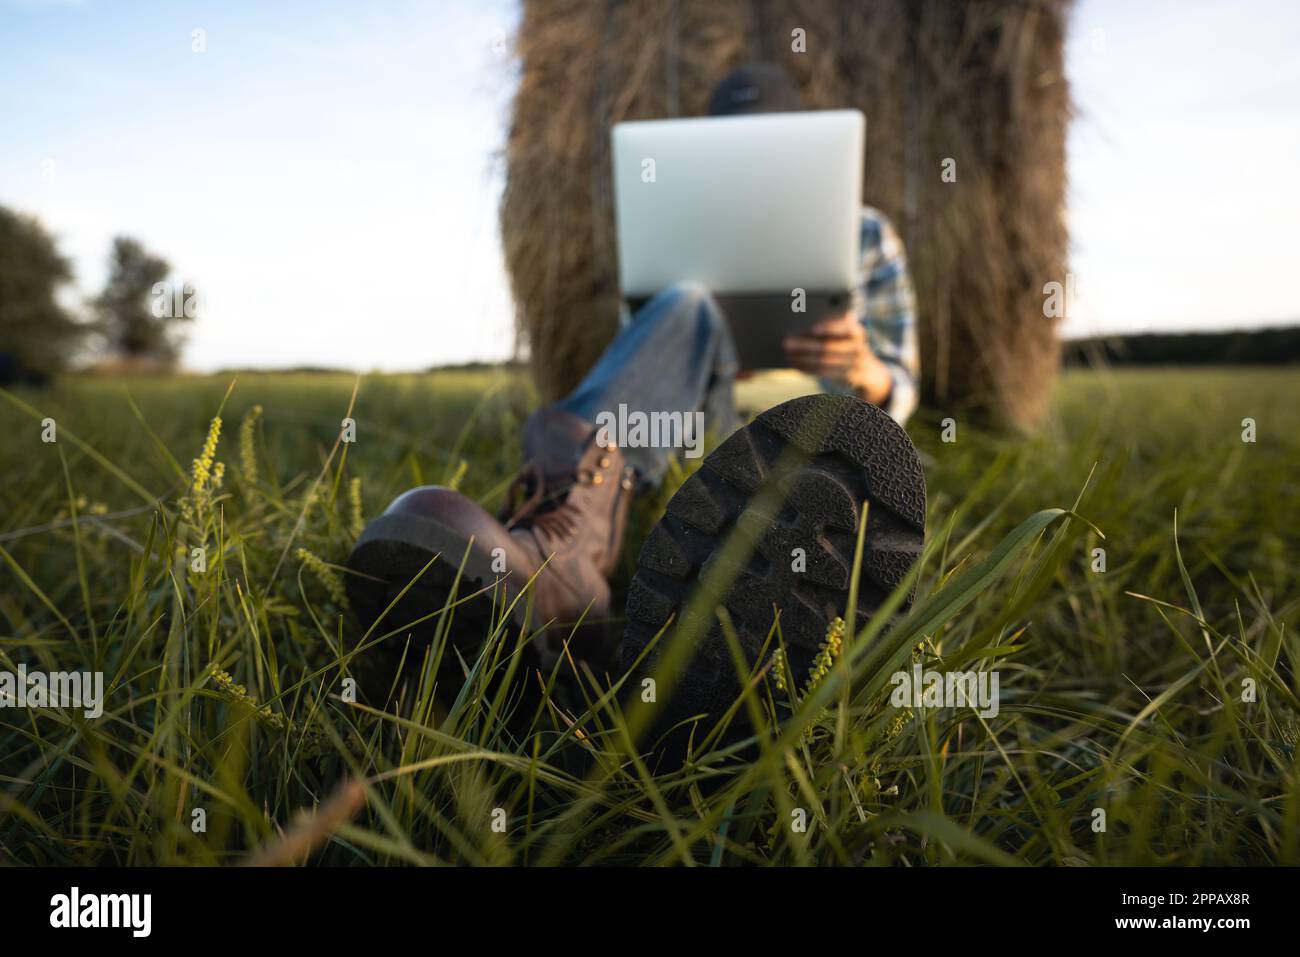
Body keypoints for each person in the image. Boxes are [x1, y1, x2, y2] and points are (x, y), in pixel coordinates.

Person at [346, 63, 925, 692]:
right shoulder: (686, 231)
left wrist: (862, 368)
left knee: (815, 444)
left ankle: (671, 587)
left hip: (816, 418)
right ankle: (567, 554)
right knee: (686, 304)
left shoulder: (866, 234)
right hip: (699, 423)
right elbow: (645, 362)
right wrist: (714, 346)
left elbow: (903, 384)